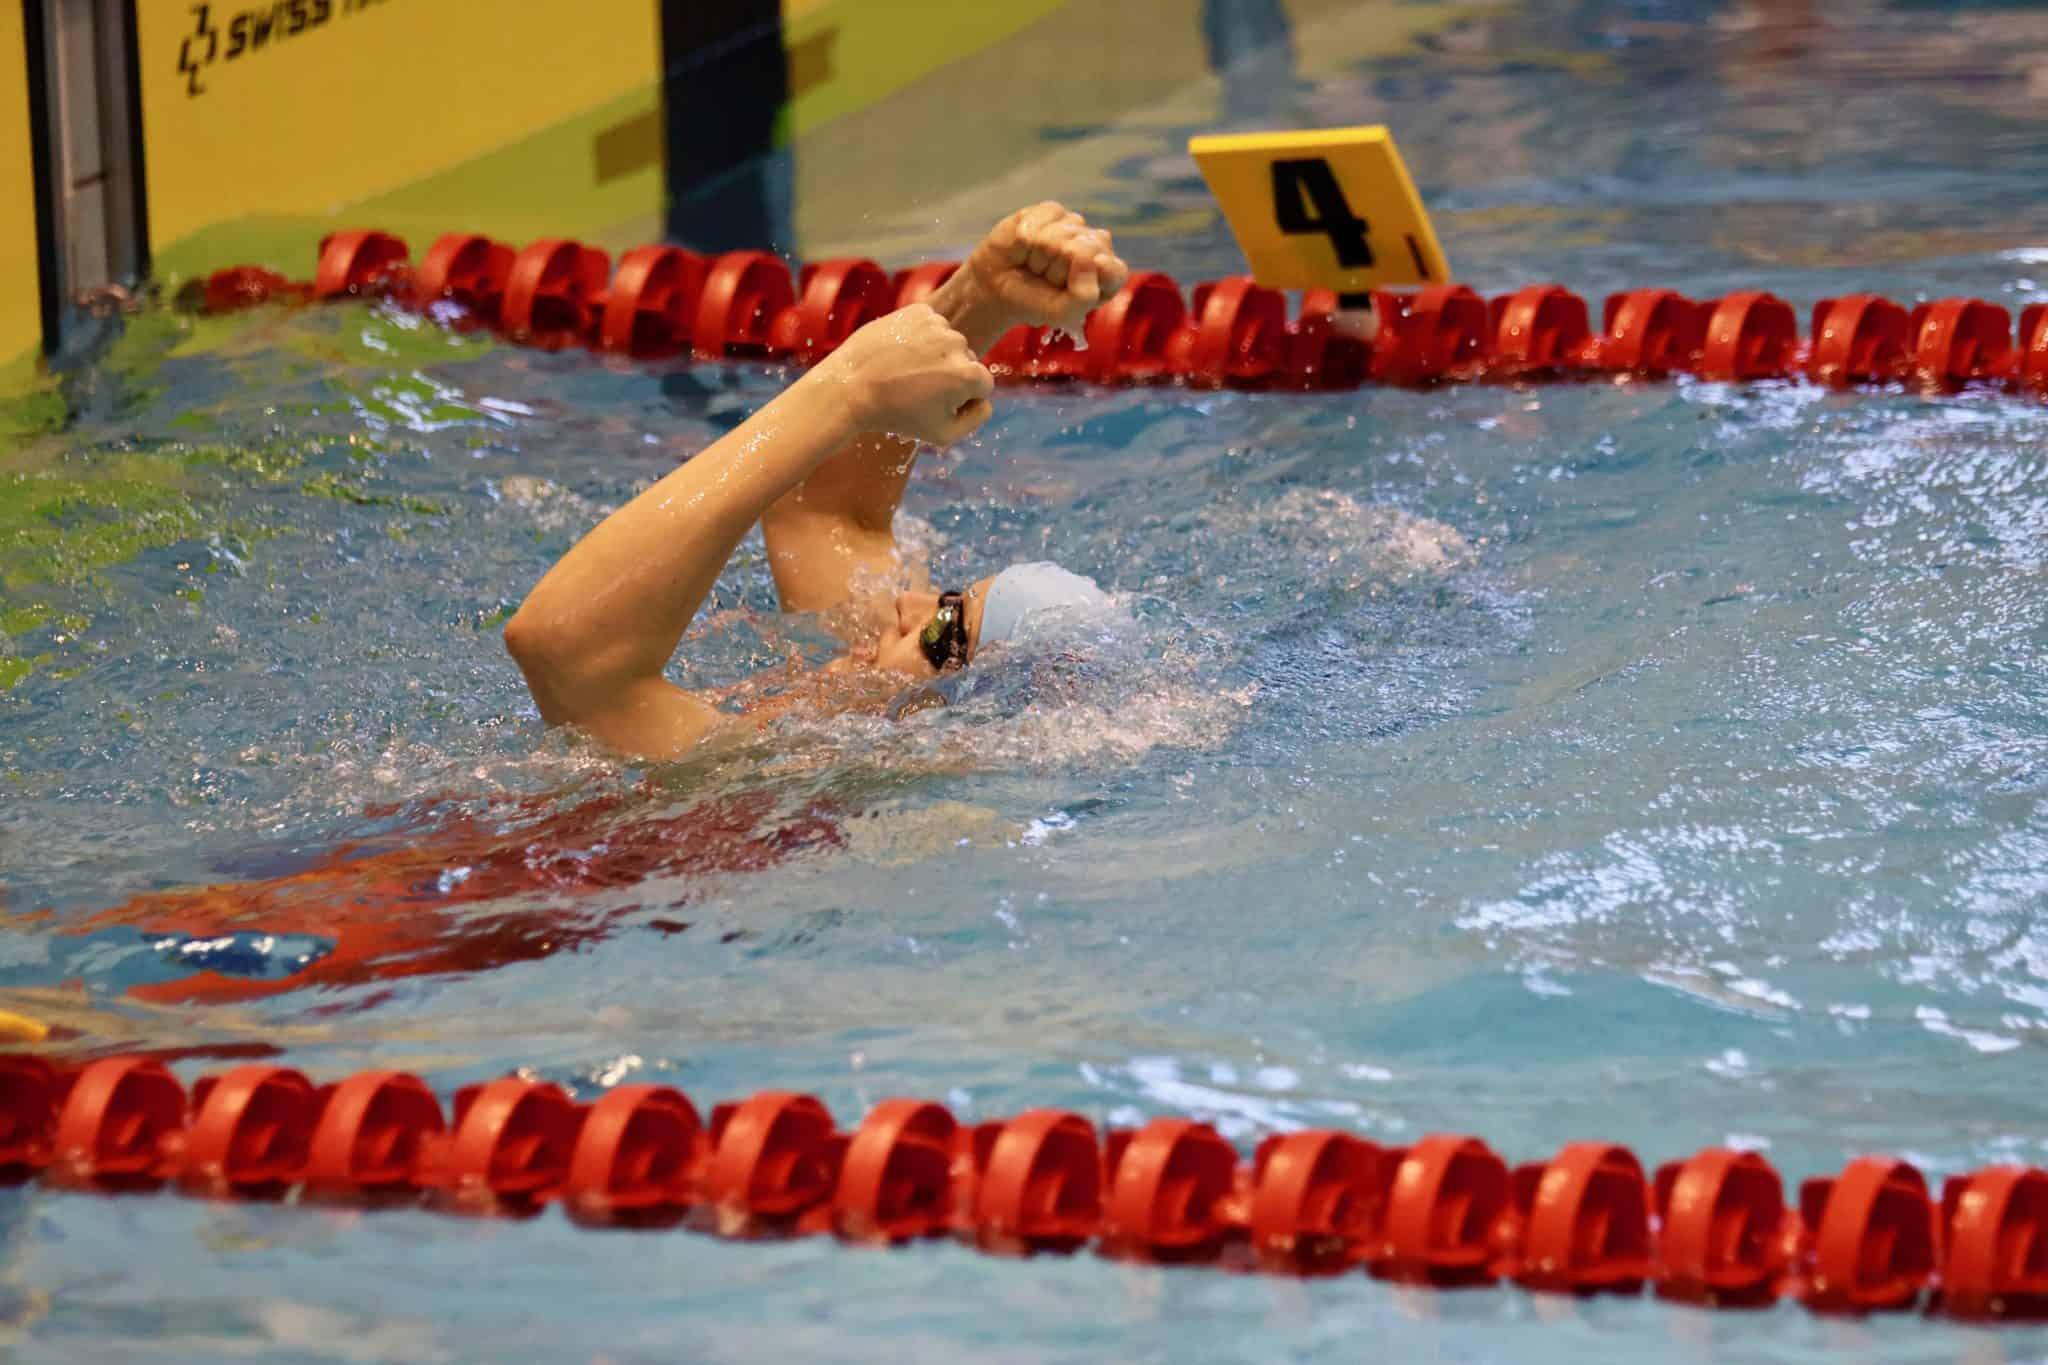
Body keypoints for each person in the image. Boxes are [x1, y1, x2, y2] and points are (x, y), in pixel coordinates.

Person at [503, 201, 1131, 760]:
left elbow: (561, 648)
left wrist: (846, 390)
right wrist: (979, 301)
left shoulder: (757, 774)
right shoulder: (873, 698)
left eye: (944, 631)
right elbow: (823, 513)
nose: (911, 605)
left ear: (970, 721)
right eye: (947, 597)